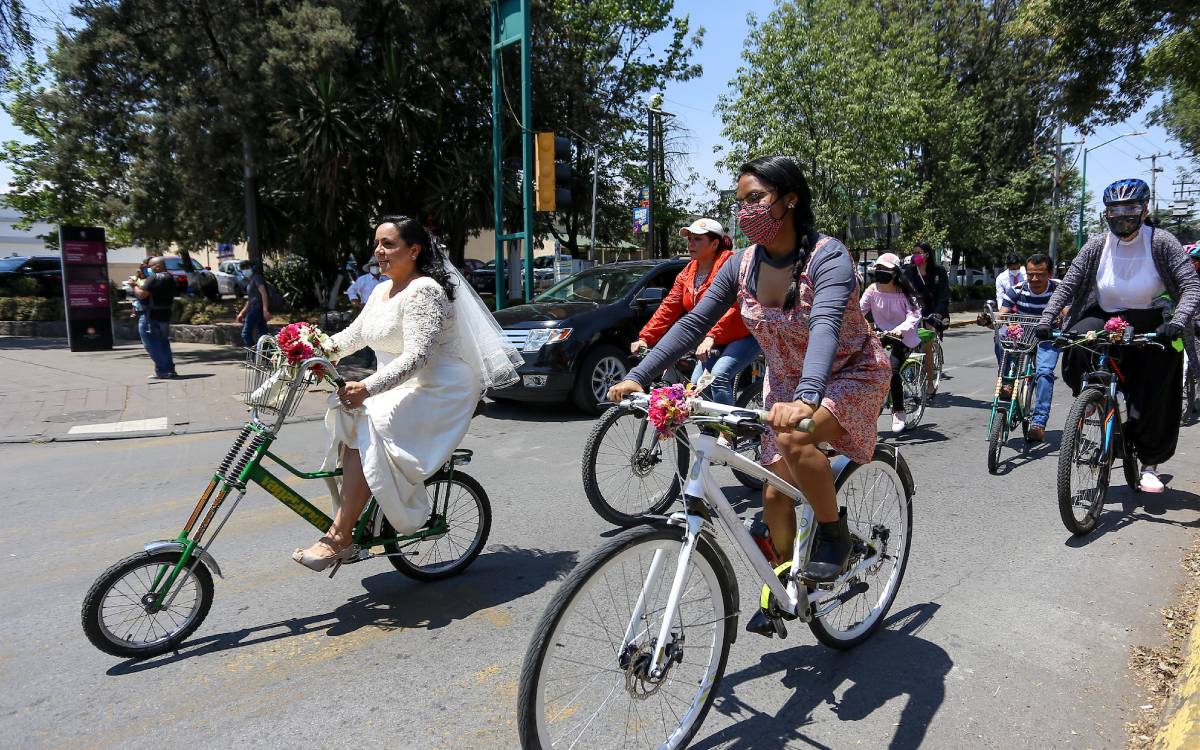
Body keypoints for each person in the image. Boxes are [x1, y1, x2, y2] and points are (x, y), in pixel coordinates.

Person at [607, 156, 890, 613]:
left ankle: (834, 536)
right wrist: (640, 374)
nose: (745, 211)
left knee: (795, 437)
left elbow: (824, 326)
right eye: (739, 202)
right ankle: (785, 583)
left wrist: (807, 397)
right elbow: (693, 322)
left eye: (755, 198)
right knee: (774, 496)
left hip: (846, 375)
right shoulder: (740, 264)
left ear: (789, 199)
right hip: (786, 386)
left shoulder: (828, 257)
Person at [292, 216, 522, 571]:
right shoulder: (380, 291)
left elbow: (419, 357)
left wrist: (367, 387)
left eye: (388, 244)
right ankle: (359, 515)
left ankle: (340, 536)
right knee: (348, 428)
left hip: (440, 387)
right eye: (377, 244)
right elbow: (354, 336)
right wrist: (309, 350)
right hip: (400, 383)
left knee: (366, 424)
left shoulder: (424, 290)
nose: (378, 252)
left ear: (413, 250)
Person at [1035, 178, 1200, 492]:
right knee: (1076, 343)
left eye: (1130, 208)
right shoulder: (1097, 244)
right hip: (1105, 314)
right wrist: (1047, 319)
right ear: (1106, 213)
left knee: (1158, 378)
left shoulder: (1162, 241)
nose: (1122, 216)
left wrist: (1178, 321)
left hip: (1151, 318)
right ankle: (1098, 402)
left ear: (1145, 208)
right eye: (1114, 210)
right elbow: (1068, 286)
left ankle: (1150, 463)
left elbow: (1191, 287)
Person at [631, 217, 760, 405]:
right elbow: (668, 307)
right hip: (711, 341)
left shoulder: (731, 265)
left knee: (718, 377)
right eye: (689, 239)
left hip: (743, 336)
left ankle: (728, 433)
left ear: (715, 243)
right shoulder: (687, 273)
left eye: (698, 239)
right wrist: (646, 337)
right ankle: (710, 432)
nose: (691, 244)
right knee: (696, 387)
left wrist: (712, 335)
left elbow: (734, 306)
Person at [997, 253, 1060, 443]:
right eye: (1031, 274)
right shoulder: (1016, 290)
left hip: (1048, 338)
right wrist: (994, 320)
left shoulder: (1059, 291)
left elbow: (1068, 312)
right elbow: (1002, 314)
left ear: (1050, 273)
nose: (1034, 279)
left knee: (1044, 373)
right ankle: (1008, 383)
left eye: (1040, 274)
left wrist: (1064, 319)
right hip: (1022, 336)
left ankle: (1038, 423)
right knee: (1001, 340)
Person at [859, 252, 923, 433]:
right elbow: (858, 312)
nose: (880, 272)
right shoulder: (872, 290)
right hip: (880, 334)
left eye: (885, 269)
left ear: (895, 272)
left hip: (903, 336)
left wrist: (900, 329)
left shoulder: (904, 292)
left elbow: (915, 315)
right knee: (862, 366)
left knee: (892, 369)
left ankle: (899, 410)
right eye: (878, 268)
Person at [904, 242, 950, 396]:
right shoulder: (909, 273)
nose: (915, 255)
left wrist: (937, 314)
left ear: (927, 255)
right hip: (913, 312)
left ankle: (930, 383)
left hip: (932, 313)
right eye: (914, 252)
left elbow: (943, 296)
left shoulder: (939, 272)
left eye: (919, 252)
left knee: (927, 343)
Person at [131, 256, 178, 380]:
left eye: (149, 266)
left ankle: (163, 371)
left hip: (151, 316)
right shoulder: (171, 278)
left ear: (157, 266)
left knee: (151, 344)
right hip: (165, 314)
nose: (148, 269)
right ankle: (169, 370)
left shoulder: (154, 277)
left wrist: (134, 285)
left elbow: (142, 294)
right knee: (163, 343)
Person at [235, 260, 270, 348]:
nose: (244, 270)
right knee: (263, 334)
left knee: (245, 334)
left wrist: (265, 310)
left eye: (246, 268)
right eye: (242, 269)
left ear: (252, 268)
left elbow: (264, 293)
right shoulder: (251, 281)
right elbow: (250, 300)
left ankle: (255, 355)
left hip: (257, 310)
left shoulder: (257, 278)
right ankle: (269, 355)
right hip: (256, 309)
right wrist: (242, 313)